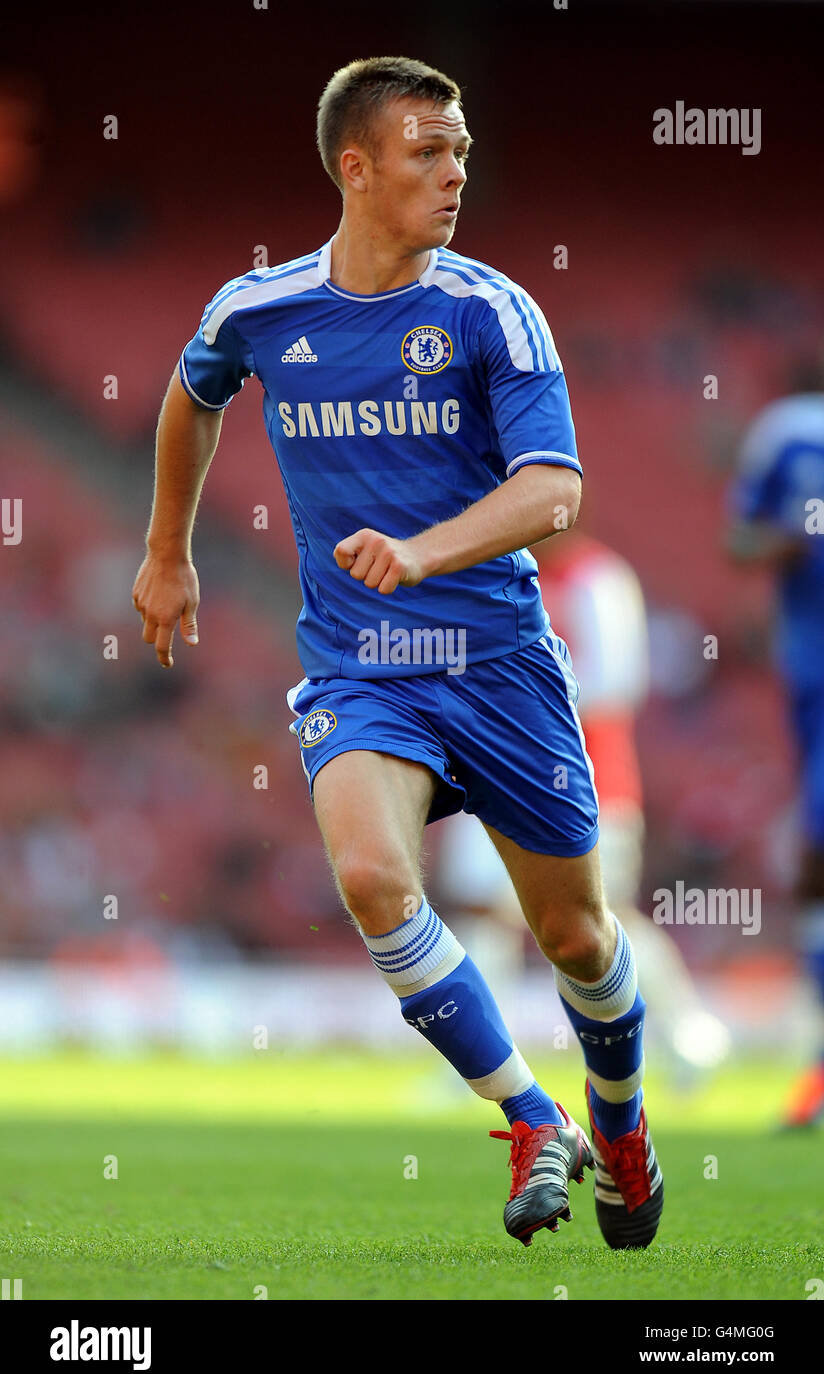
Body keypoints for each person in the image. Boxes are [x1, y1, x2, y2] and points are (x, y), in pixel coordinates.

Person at [133, 56, 663, 1248]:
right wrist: (167, 549)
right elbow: (190, 393)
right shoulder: (258, 308)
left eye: (461, 150)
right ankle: (533, 1119)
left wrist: (423, 553)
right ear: (354, 167)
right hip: (361, 667)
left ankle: (619, 1125)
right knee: (375, 879)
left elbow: (552, 489)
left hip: (499, 665)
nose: (454, 170)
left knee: (574, 934)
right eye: (428, 150)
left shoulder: (490, 309)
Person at [437, 530, 731, 1082]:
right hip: (496, 771)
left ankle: (687, 1032)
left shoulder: (596, 577)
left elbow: (616, 681)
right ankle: (474, 1058)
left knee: (604, 912)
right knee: (484, 910)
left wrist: (521, 702)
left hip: (586, 778)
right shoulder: (485, 575)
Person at [726, 366, 824, 1127]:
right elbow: (742, 539)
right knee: (816, 865)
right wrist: (791, 538)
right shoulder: (791, 433)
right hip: (812, 678)